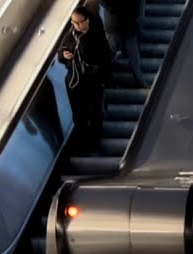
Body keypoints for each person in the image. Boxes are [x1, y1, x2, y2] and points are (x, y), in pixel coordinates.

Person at [59, 6, 113, 155]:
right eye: (73, 22)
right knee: (78, 113)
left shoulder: (96, 36)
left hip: (92, 81)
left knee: (94, 111)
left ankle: (96, 140)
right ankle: (82, 141)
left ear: (87, 20)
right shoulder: (70, 36)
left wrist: (105, 79)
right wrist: (65, 56)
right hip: (74, 83)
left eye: (79, 22)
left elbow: (105, 58)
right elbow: (60, 55)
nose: (76, 26)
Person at [101, 0, 145, 88]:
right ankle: (139, 80)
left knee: (131, 53)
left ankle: (139, 80)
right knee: (112, 51)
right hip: (118, 23)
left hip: (123, 22)